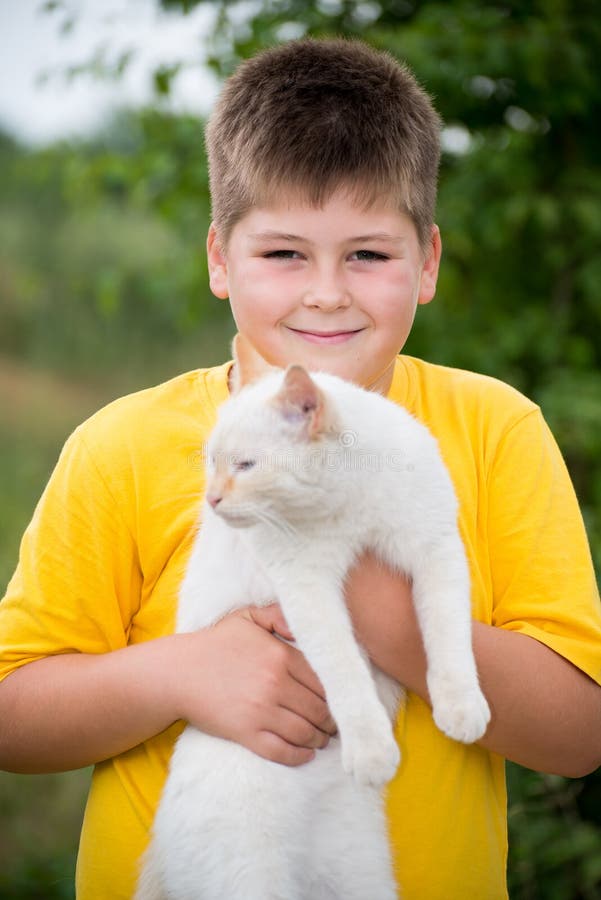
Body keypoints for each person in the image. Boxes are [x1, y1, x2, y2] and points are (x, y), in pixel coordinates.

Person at [0, 37, 600, 900]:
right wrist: (178, 671)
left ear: (426, 263)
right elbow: (14, 717)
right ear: (218, 259)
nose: (326, 292)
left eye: (368, 254)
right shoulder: (120, 445)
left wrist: (371, 601)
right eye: (283, 254)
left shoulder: (493, 428)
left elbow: (577, 733)